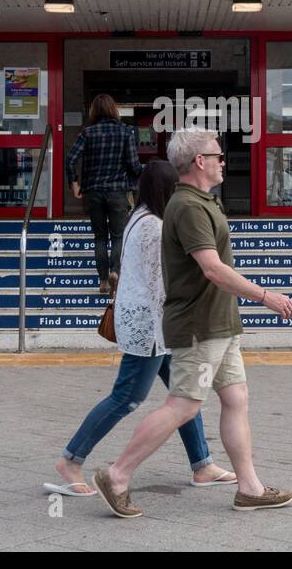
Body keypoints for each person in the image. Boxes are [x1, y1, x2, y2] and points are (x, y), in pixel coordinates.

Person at [92, 128, 292, 517]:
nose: (224, 160)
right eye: (218, 155)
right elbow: (212, 269)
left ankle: (250, 488)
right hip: (199, 324)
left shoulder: (203, 201)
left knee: (236, 398)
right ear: (199, 161)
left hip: (220, 322)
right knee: (183, 404)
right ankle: (118, 474)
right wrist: (266, 296)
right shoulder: (187, 206)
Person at [45, 161, 237, 497]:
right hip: (149, 328)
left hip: (157, 326)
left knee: (184, 396)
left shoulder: (145, 215)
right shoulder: (153, 228)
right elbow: (159, 285)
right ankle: (70, 461)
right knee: (128, 397)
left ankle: (203, 465)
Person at [65, 93, 143, 294]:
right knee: (118, 236)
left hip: (93, 192)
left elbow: (70, 159)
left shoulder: (87, 133)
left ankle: (102, 281)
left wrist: (74, 183)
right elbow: (134, 165)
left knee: (99, 237)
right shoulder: (125, 132)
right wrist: (139, 175)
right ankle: (115, 271)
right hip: (117, 191)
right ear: (113, 110)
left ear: (94, 111)